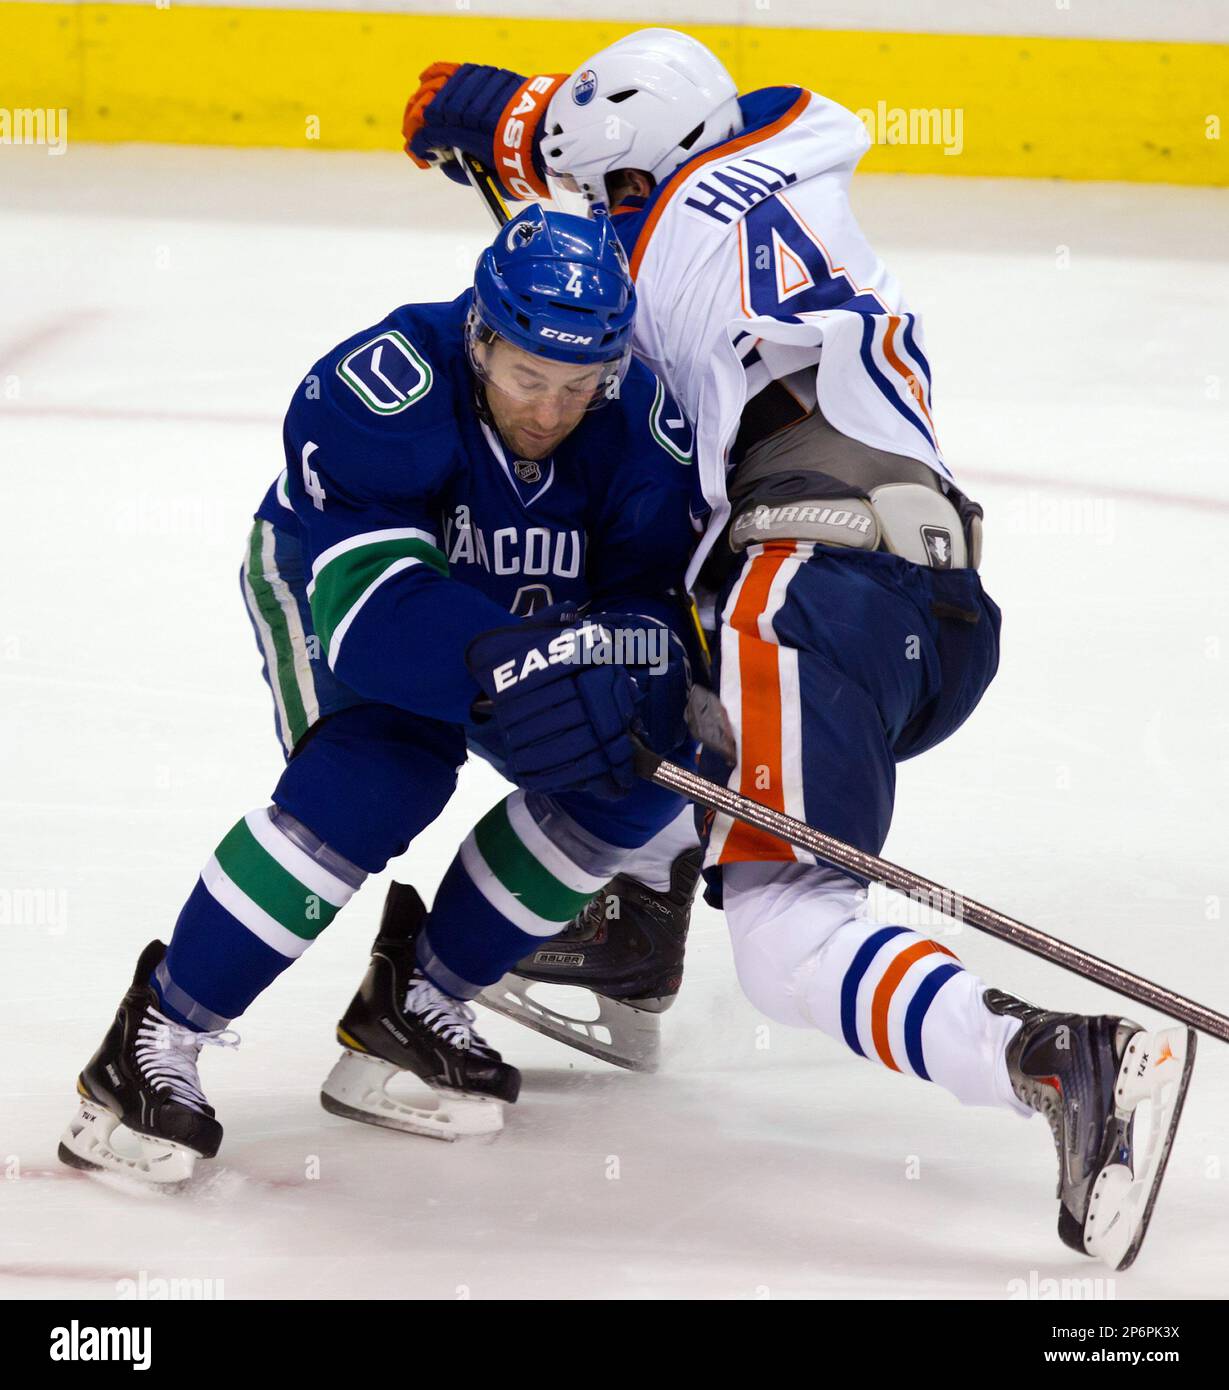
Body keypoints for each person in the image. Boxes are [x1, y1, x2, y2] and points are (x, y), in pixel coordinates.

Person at [397, 28, 1192, 1265]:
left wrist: (464, 108)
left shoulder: (633, 262)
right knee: (668, 680)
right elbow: (593, 134)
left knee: (782, 931)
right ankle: (634, 930)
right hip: (926, 598)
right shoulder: (790, 145)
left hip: (805, 583)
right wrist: (495, 117)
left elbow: (574, 201)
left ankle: (1053, 1056)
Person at [58, 204, 700, 1180]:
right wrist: (521, 667)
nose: (549, 411)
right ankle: (150, 1043)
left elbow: (649, 600)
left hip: (521, 615)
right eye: (528, 378)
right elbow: (372, 625)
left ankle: (417, 1000)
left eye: (577, 387)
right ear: (480, 336)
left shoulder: (635, 421)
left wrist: (621, 666)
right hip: (333, 586)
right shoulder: (382, 388)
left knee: (635, 772)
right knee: (383, 772)